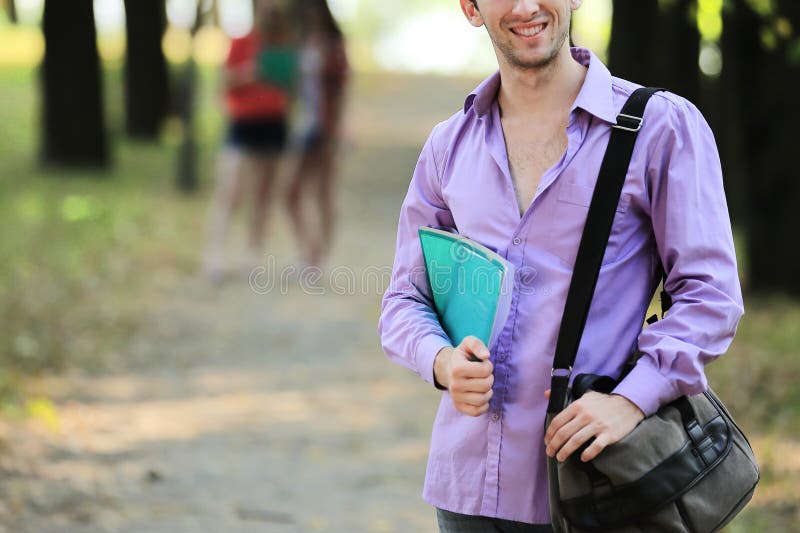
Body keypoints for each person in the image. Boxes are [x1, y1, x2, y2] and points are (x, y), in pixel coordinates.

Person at [377, 1, 744, 531]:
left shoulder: (658, 128)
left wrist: (631, 400)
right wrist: (441, 362)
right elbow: (405, 299)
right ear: (470, 7)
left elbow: (710, 296)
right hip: (469, 489)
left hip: (604, 480)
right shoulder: (448, 146)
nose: (526, 6)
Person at [204, 0, 296, 280]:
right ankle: (214, 255)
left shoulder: (285, 47)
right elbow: (225, 79)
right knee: (231, 190)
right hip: (243, 125)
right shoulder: (242, 42)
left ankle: (252, 253)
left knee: (264, 195)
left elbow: (292, 90)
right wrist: (252, 71)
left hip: (273, 125)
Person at [285, 0, 349, 268]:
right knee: (292, 192)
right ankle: (310, 250)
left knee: (322, 192)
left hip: (324, 128)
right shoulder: (300, 41)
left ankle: (318, 257)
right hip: (302, 126)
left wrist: (333, 132)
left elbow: (341, 91)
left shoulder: (334, 47)